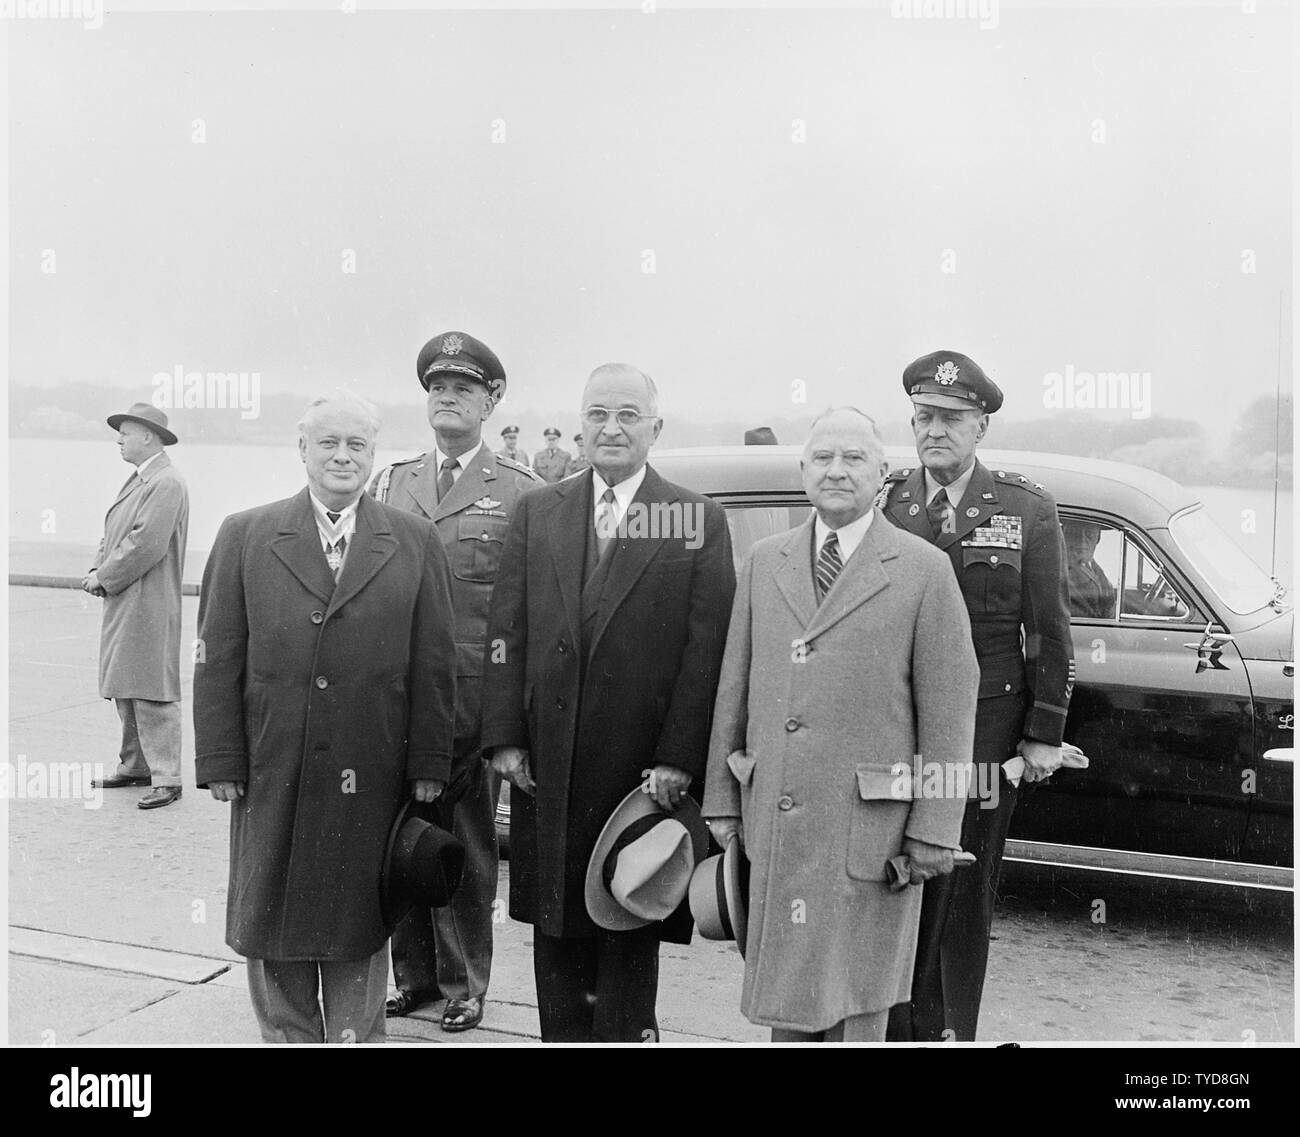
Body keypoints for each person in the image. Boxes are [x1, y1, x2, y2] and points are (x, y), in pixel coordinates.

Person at [702, 407, 976, 1042]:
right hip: (778, 818)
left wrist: (934, 828)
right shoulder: (766, 562)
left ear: (882, 473)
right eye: (823, 457)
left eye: (854, 458)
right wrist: (722, 798)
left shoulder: (923, 569)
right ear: (802, 472)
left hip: (868, 829)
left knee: (859, 1001)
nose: (837, 470)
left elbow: (950, 711)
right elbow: (733, 691)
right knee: (788, 1003)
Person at [480, 363, 736, 1042]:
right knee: (557, 934)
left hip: (640, 779)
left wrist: (679, 756)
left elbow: (705, 653)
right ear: (581, 422)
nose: (612, 427)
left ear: (656, 427)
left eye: (628, 414)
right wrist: (504, 735)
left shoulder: (692, 517)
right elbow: (506, 631)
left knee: (627, 920)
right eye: (598, 413)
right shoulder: (540, 508)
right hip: (549, 769)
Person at [193, 393, 457, 1045]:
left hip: (370, 778)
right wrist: (222, 759)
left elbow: (436, 661)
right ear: (302, 449)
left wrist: (428, 761)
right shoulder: (245, 534)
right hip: (271, 771)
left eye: (357, 445)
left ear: (373, 455)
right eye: (329, 443)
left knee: (358, 929)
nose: (343, 456)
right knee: (272, 923)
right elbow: (218, 654)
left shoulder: (414, 539)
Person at [879, 351, 1075, 1042]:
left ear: (981, 425)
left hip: (986, 734)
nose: (935, 431)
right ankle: (893, 1027)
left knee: (963, 889)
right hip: (899, 729)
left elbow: (1048, 630)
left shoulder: (1025, 508)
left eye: (952, 419)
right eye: (924, 417)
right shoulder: (888, 502)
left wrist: (1043, 731)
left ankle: (950, 1030)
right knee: (894, 874)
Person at [370, 331, 543, 1032]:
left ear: (492, 400)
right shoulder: (394, 481)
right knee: (401, 835)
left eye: (463, 389)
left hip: (474, 702)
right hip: (399, 701)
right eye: (437, 388)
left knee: (468, 848)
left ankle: (466, 980)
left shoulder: (524, 491)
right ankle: (412, 977)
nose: (447, 399)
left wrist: (512, 721)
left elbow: (527, 614)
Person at [85, 403, 189, 810]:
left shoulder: (167, 483)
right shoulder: (143, 479)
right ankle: (136, 765)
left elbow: (145, 543)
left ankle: (167, 777)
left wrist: (104, 576)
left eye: (125, 433)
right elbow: (114, 534)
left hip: (147, 598)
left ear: (148, 436)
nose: (119, 440)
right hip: (128, 596)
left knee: (150, 688)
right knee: (127, 684)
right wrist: (99, 568)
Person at [1063, 519, 1117, 618]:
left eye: (1089, 534)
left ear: (1098, 538)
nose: (1082, 541)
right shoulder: (1056, 572)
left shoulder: (1095, 570)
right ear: (1063, 534)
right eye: (1075, 533)